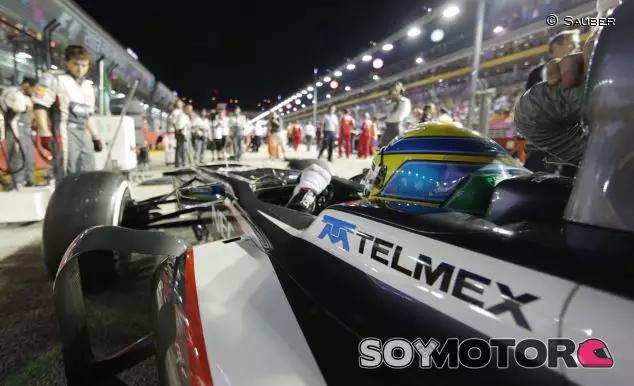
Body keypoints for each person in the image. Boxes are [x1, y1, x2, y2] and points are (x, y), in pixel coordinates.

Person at [514, 0, 618, 177]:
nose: (577, 47)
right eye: (572, 44)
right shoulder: (539, 73)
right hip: (548, 154)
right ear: (555, 47)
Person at [31, 45, 103, 182]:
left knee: (89, 170)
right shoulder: (53, 78)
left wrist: (95, 136)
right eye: (76, 64)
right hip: (64, 131)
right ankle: (66, 201)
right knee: (66, 172)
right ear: (67, 62)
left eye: (84, 65)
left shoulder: (88, 87)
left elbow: (88, 115)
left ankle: (85, 201)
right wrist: (44, 131)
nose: (80, 69)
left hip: (83, 133)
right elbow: (40, 105)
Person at [0, 78, 37, 187]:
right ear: (26, 84)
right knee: (18, 154)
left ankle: (29, 179)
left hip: (26, 129)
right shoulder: (13, 93)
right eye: (33, 88)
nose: (34, 91)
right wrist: (26, 109)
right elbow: (17, 108)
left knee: (29, 155)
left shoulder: (28, 96)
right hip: (14, 127)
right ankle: (18, 181)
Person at [381, 82, 411, 147]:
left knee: (398, 148)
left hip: (399, 128)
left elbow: (399, 117)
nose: (393, 92)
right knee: (384, 148)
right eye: (392, 90)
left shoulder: (405, 101)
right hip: (388, 129)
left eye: (395, 90)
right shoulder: (388, 103)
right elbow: (381, 114)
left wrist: (387, 117)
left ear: (400, 90)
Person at [169, 100, 191, 167]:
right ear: (176, 104)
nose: (181, 104)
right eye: (179, 103)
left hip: (185, 132)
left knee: (184, 148)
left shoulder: (183, 112)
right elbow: (173, 122)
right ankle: (179, 163)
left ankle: (183, 162)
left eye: (181, 103)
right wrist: (177, 130)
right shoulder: (175, 112)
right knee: (181, 148)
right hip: (180, 132)